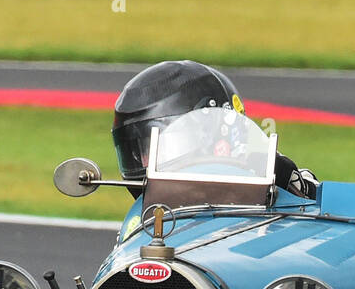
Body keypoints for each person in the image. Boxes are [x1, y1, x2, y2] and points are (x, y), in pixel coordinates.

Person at [111, 59, 319, 200]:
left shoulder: (280, 178)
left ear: (216, 129)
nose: (145, 162)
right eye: (139, 152)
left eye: (158, 146)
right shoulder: (141, 222)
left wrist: (294, 185)